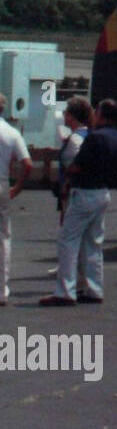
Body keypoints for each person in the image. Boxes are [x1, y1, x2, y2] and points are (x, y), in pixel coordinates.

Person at [41, 98, 117, 307]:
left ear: (102, 115)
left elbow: (76, 165)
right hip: (103, 191)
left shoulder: (95, 138)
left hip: (85, 192)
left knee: (68, 240)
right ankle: (94, 288)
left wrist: (67, 171)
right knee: (94, 243)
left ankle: (65, 291)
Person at [55, 96, 93, 298]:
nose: (64, 116)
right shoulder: (89, 134)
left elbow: (71, 161)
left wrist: (68, 181)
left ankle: (69, 284)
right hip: (90, 190)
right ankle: (87, 282)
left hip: (74, 190)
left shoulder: (76, 139)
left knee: (69, 237)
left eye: (66, 113)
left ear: (72, 116)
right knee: (89, 240)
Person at [0, 93, 33, 306]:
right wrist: (18, 187)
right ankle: (1, 290)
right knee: (3, 237)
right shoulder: (11, 133)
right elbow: (27, 164)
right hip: (1, 183)